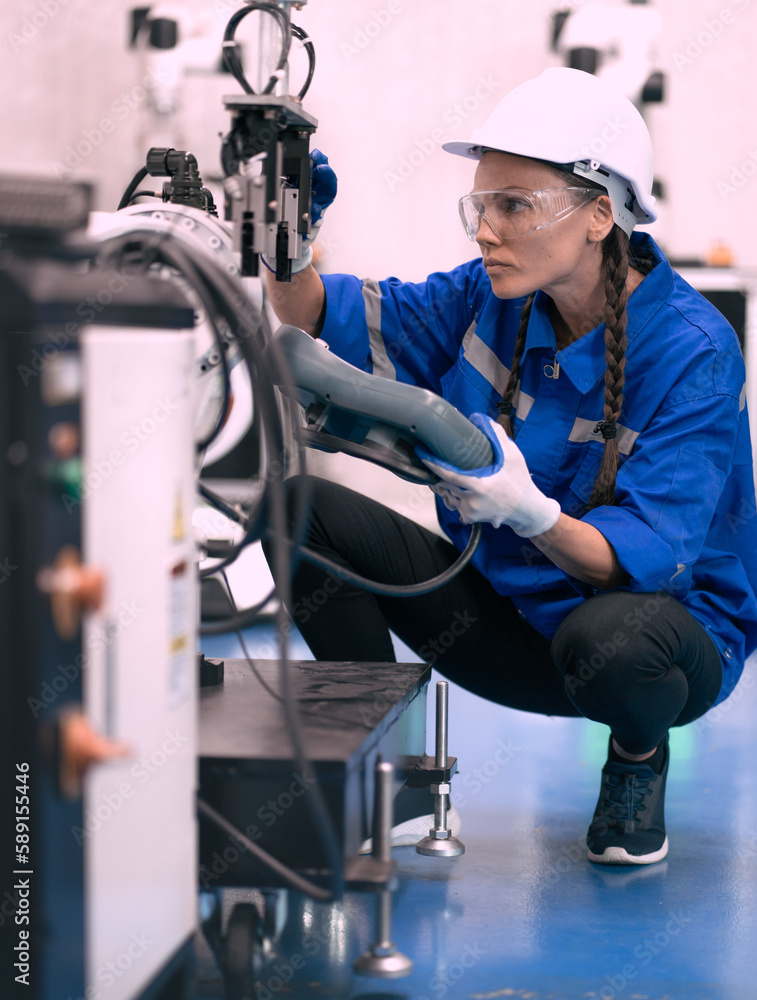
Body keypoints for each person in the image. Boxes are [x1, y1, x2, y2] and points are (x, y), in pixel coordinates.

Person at [261, 67, 757, 865]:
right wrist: (286, 244)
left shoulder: (693, 351)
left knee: (616, 637)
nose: (484, 229)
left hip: (649, 644)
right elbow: (323, 316)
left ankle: (636, 758)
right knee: (297, 506)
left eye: (513, 206)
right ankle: (369, 757)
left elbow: (645, 561)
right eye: (481, 205)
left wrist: (526, 510)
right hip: (504, 619)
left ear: (600, 213)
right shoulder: (485, 298)